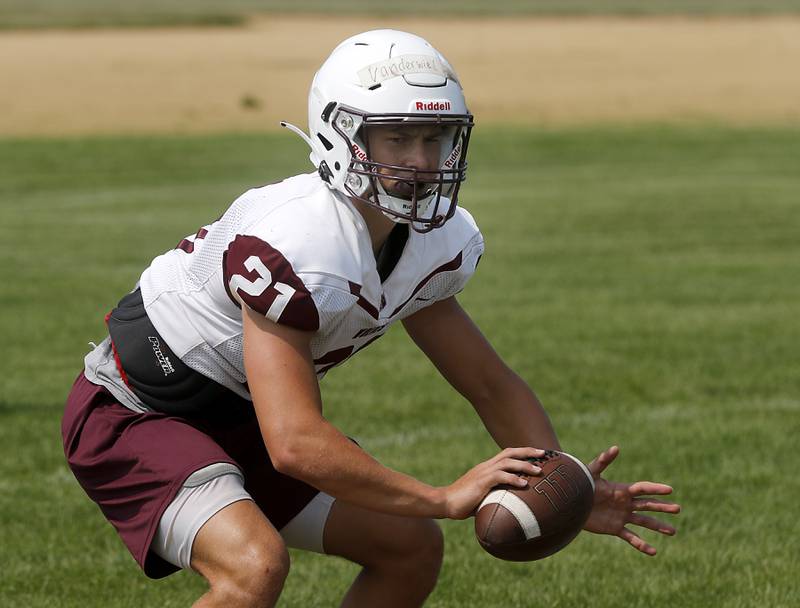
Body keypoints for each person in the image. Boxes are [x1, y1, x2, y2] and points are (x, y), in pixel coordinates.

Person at [62, 29, 680, 608]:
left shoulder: (433, 241)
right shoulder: (299, 239)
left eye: (434, 139)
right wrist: (441, 498)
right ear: (343, 136)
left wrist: (561, 483)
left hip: (239, 414)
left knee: (409, 549)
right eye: (397, 137)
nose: (420, 159)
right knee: (253, 566)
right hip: (138, 408)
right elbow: (296, 442)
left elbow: (489, 382)